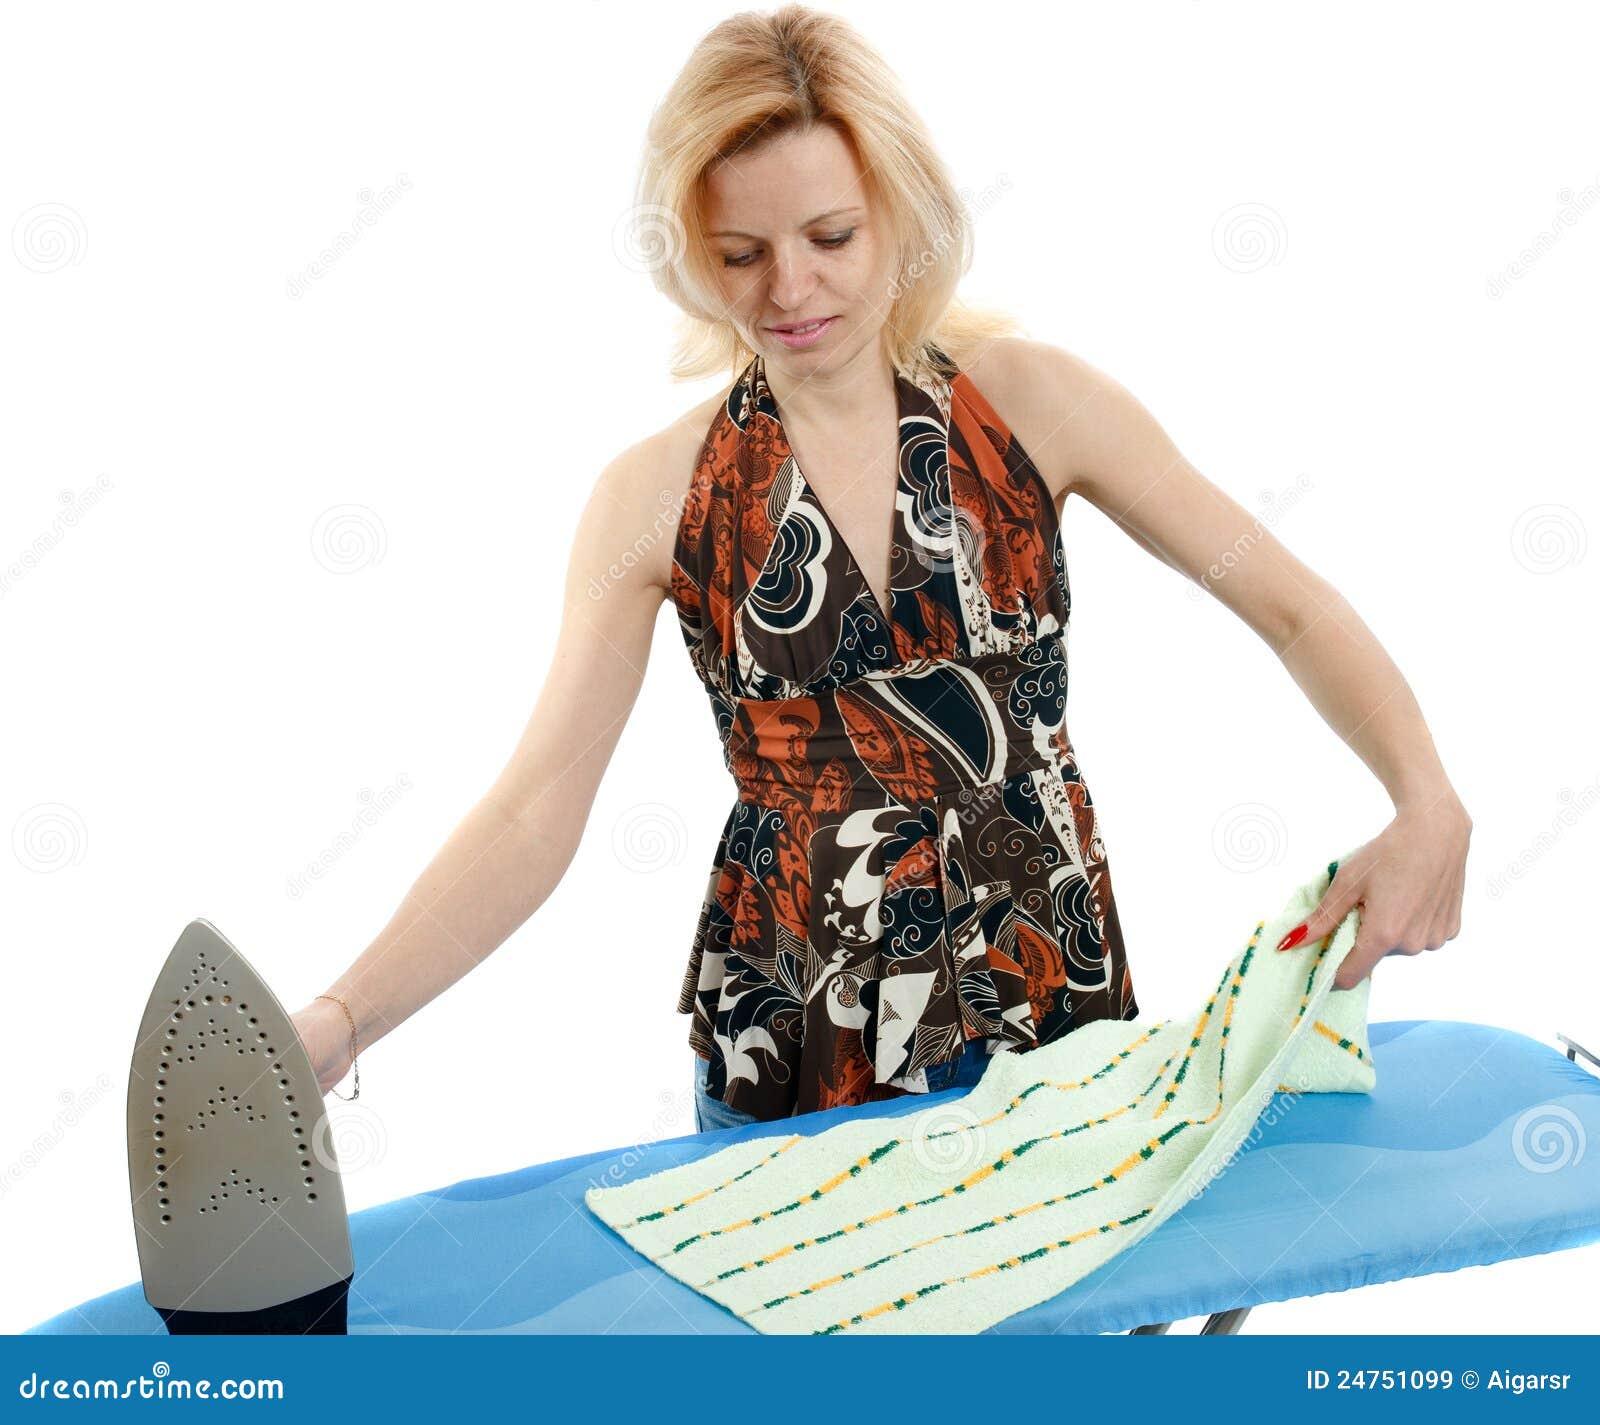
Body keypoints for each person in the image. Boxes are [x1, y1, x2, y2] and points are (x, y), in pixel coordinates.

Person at [290, 5, 1471, 1132]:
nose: (789, 291)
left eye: (830, 237)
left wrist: (1426, 798)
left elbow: (1291, 607)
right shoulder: (654, 497)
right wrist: (343, 1019)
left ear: (900, 214)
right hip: (795, 1036)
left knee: (1067, 1343)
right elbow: (534, 805)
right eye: (740, 253)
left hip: (1043, 1001)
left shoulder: (1036, 406)